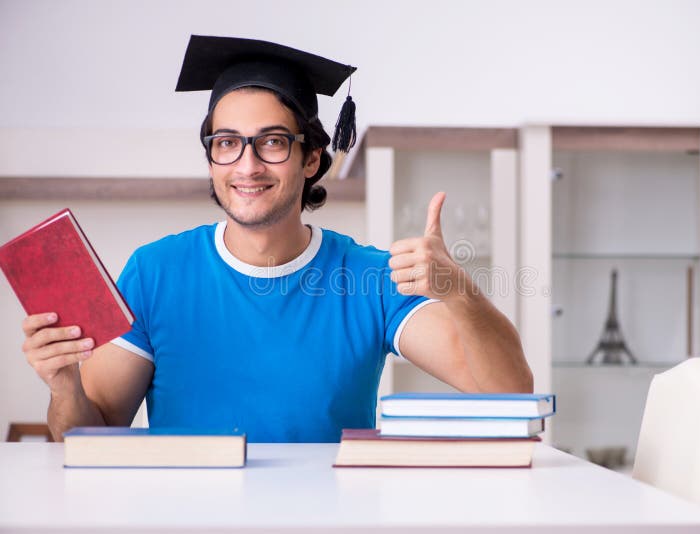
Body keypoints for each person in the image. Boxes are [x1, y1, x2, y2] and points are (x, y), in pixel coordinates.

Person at [20, 35, 532, 442]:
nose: (247, 164)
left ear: (311, 158)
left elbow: (509, 395)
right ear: (211, 157)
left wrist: (458, 291)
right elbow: (88, 437)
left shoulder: (371, 279)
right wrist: (65, 385)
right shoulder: (155, 272)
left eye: (272, 142)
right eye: (227, 143)